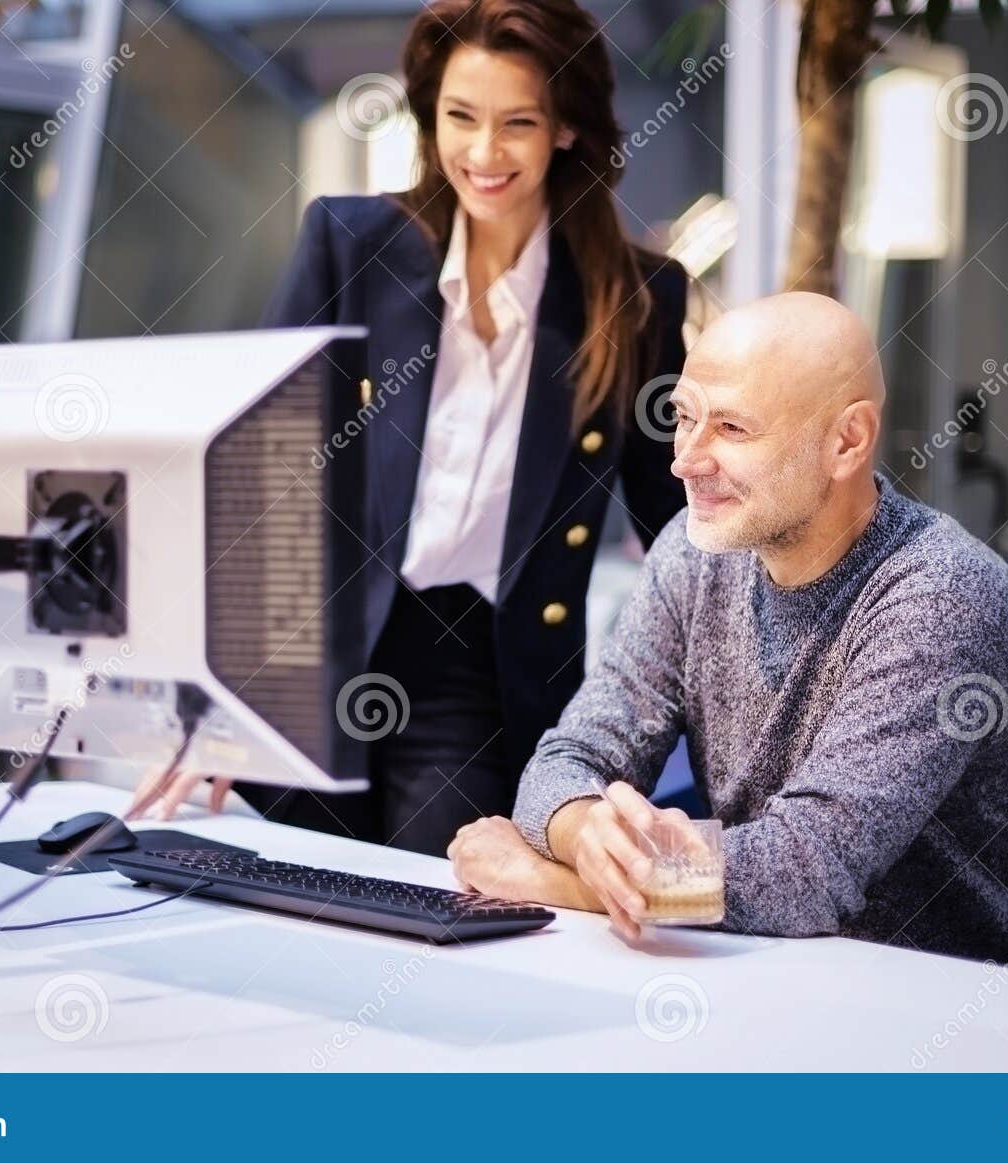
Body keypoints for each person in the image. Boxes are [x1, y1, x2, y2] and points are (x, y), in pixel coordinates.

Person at [130, 0, 690, 856]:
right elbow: (260, 474)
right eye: (460, 117)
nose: (483, 152)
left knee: (426, 912)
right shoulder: (352, 244)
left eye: (518, 123)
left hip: (474, 670)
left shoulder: (635, 299)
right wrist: (214, 695)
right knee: (279, 902)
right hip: (314, 647)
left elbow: (675, 524)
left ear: (567, 130)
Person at [447, 292, 1008, 978]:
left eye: (731, 428)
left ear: (846, 441)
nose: (686, 460)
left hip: (984, 1012)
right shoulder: (695, 553)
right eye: (684, 417)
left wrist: (555, 880)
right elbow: (569, 756)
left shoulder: (943, 591)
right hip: (788, 978)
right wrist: (585, 830)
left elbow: (802, 871)